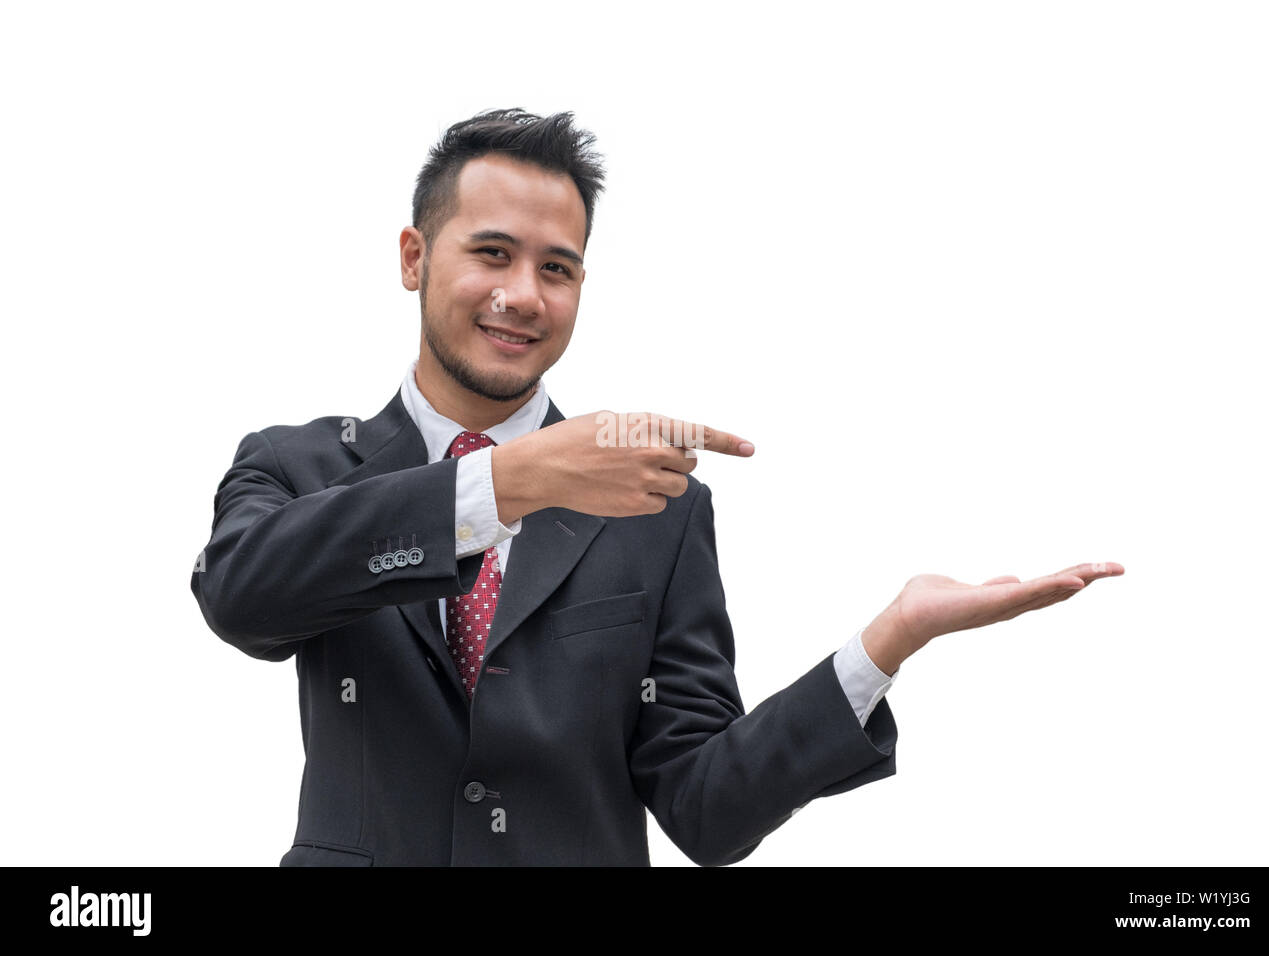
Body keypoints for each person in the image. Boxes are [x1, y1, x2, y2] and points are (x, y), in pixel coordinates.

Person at [190, 107, 1124, 866]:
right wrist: (504, 483)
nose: (524, 294)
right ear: (413, 258)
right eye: (491, 253)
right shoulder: (298, 468)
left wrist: (885, 645)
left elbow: (705, 809)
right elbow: (242, 600)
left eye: (557, 268)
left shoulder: (658, 510)